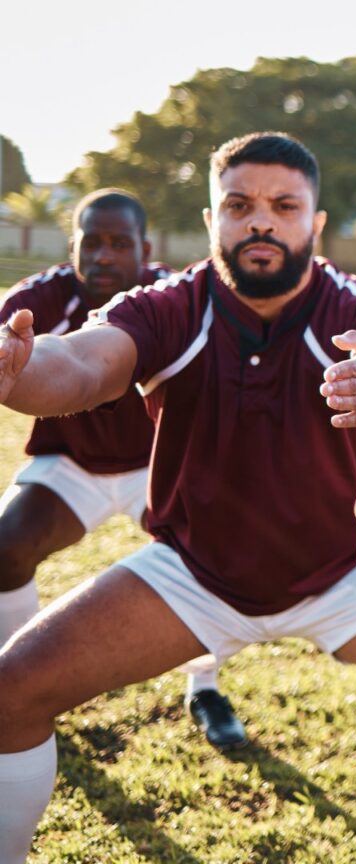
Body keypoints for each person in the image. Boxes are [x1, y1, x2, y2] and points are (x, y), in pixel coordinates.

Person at [0, 132, 356, 863]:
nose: (261, 222)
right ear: (212, 219)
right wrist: (18, 371)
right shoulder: (171, 305)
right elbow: (83, 364)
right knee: (11, 691)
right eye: (239, 205)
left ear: (317, 223)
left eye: (285, 205)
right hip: (193, 574)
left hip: (343, 570)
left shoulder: (348, 303)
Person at [0, 190, 250, 750]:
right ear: (73, 246)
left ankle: (205, 687)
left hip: (158, 465)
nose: (105, 257)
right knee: (6, 545)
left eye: (120, 244)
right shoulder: (36, 300)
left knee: (211, 560)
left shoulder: (174, 296)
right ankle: (16, 678)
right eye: (93, 243)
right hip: (72, 463)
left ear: (146, 248)